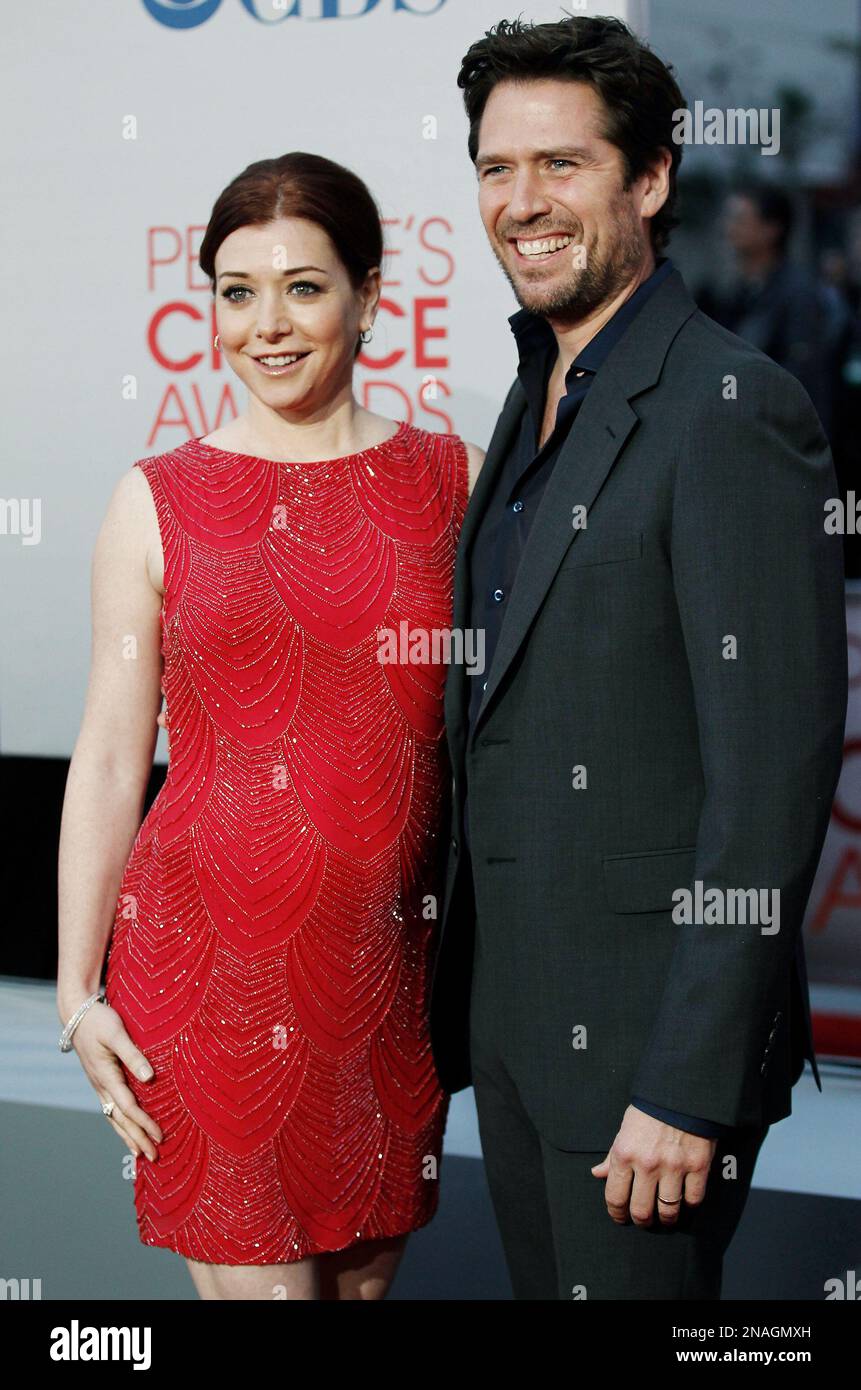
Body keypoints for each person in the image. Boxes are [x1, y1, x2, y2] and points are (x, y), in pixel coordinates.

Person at [429, 15, 848, 1300]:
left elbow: (769, 782)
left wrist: (687, 1081)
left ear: (652, 180)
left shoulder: (731, 409)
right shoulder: (537, 386)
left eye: (561, 165)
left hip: (643, 1063)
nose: (521, 202)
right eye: (497, 169)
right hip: (513, 1023)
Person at [56, 151, 485, 1301]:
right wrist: (73, 991)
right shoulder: (156, 496)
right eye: (237, 292)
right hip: (204, 985)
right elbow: (106, 755)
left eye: (304, 286)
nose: (269, 324)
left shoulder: (458, 484)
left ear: (370, 296)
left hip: (388, 994)